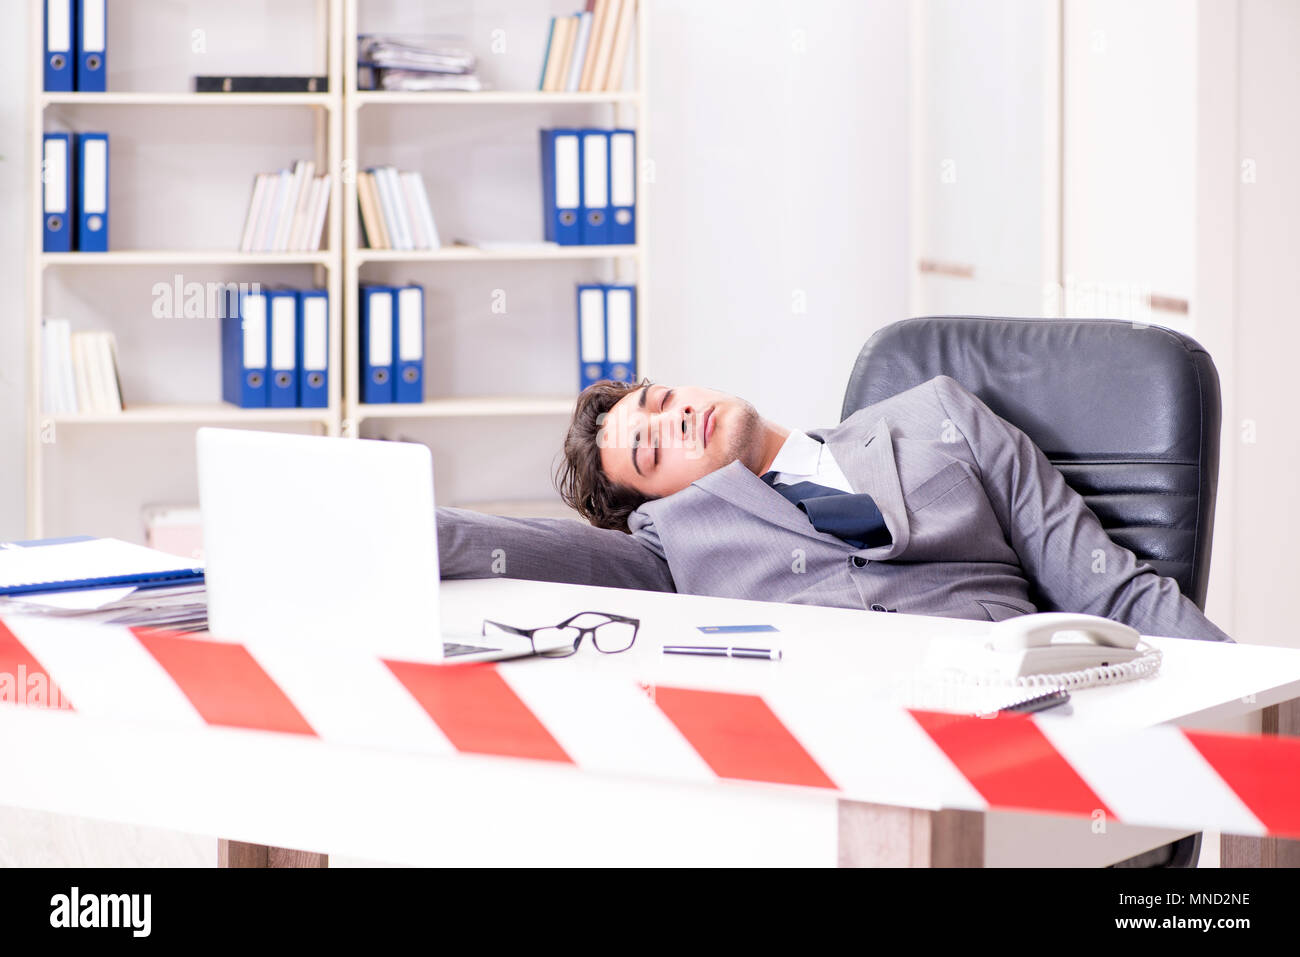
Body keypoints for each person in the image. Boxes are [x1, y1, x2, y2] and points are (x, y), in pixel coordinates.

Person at [437, 374, 1231, 642]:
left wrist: (1273, 704)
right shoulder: (673, 549)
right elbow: (512, 544)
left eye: (663, 398)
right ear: (659, 505)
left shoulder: (937, 415)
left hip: (1023, 732)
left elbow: (1112, 590)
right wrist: (380, 521)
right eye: (652, 450)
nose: (675, 417)